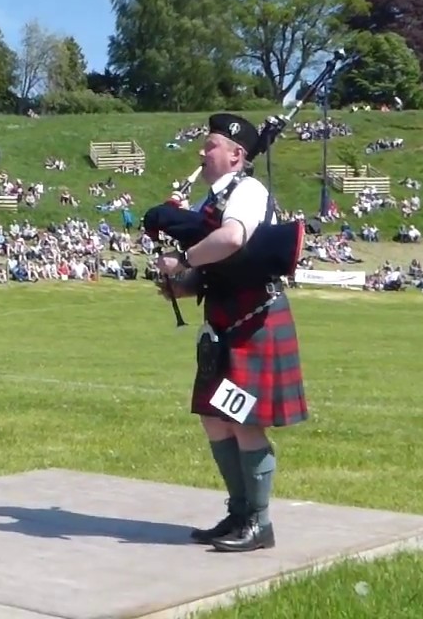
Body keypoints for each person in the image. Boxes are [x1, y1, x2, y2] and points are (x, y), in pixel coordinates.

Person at [155, 112, 309, 553]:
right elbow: (211, 270)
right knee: (215, 418)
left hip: (254, 321)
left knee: (243, 421)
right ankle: (239, 511)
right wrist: (176, 284)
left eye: (211, 146)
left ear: (237, 155)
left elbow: (232, 240)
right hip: (224, 323)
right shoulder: (209, 202)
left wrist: (184, 258)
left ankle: (259, 524)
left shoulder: (248, 191)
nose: (202, 153)